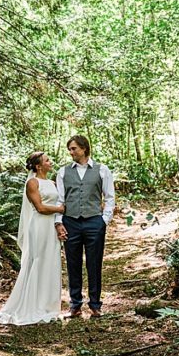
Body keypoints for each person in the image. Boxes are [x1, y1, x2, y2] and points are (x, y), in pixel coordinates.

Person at [0, 152, 65, 325]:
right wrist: (61, 210)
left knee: (51, 261)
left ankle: (48, 305)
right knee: (38, 260)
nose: (51, 162)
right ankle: (32, 304)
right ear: (38, 166)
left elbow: (59, 201)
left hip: (52, 226)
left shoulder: (52, 182)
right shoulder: (32, 183)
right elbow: (40, 208)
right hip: (39, 226)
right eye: (47, 160)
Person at [54, 135, 115, 318]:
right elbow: (60, 200)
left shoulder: (102, 170)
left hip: (94, 222)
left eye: (74, 149)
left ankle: (95, 304)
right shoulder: (63, 172)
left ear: (84, 149)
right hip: (70, 222)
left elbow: (110, 197)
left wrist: (104, 220)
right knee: (73, 264)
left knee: (94, 263)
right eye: (70, 149)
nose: (71, 152)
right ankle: (75, 304)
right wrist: (58, 222)